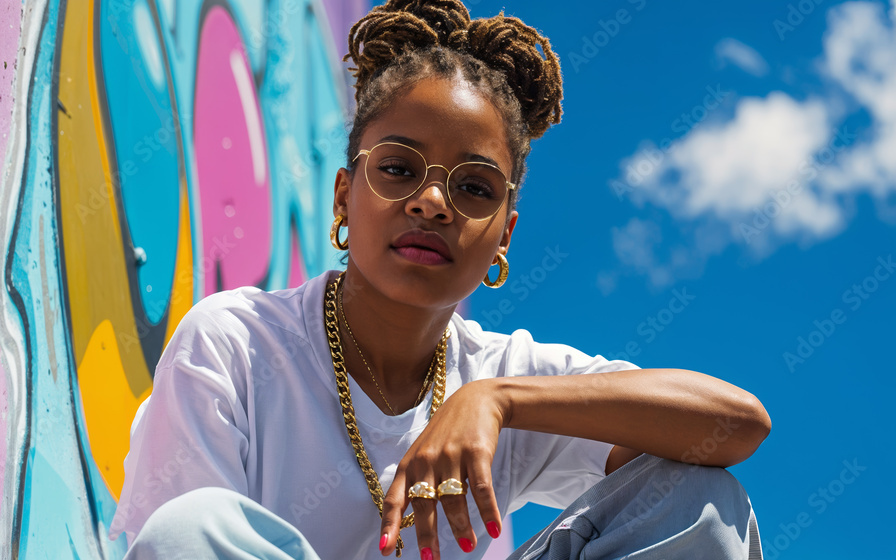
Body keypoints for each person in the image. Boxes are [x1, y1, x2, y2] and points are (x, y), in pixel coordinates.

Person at [108, 1, 772, 559]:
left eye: (475, 187)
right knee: (190, 526)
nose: (432, 202)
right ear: (344, 198)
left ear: (504, 235)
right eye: (398, 169)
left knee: (699, 500)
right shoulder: (239, 341)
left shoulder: (499, 372)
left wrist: (497, 400)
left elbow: (737, 423)